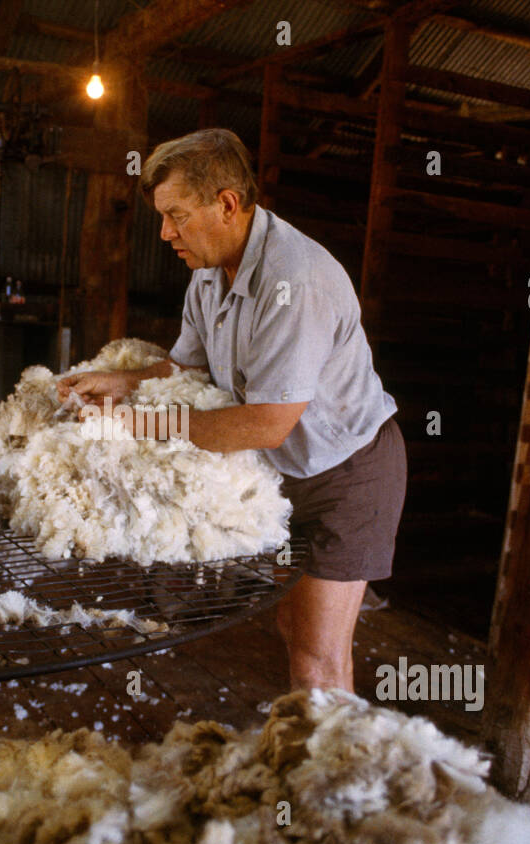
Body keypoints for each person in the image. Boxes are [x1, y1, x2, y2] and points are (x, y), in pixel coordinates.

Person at [57, 128, 405, 692]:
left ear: (227, 204)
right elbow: (188, 369)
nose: (166, 232)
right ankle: (310, 748)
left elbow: (266, 424)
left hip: (348, 472)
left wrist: (139, 425)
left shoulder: (295, 280)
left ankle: (330, 773)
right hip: (289, 470)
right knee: (294, 625)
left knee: (319, 655)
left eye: (176, 215)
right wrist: (121, 382)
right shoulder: (208, 275)